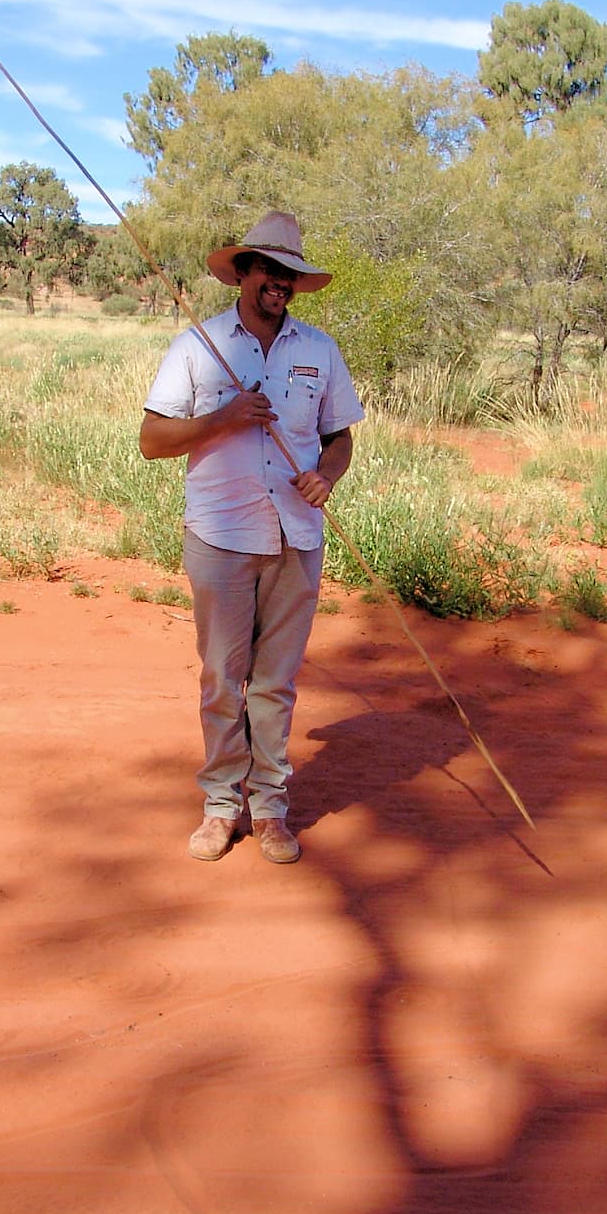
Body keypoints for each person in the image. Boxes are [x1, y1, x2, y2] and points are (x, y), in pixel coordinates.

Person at [139, 211, 366, 864]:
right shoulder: (197, 347)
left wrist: (327, 475)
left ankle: (268, 806)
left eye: (290, 273)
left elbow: (340, 435)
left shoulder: (318, 350)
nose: (280, 283)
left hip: (297, 533)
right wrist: (225, 417)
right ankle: (219, 804)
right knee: (221, 677)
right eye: (269, 269)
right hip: (220, 533)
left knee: (274, 683)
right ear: (241, 272)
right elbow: (153, 441)